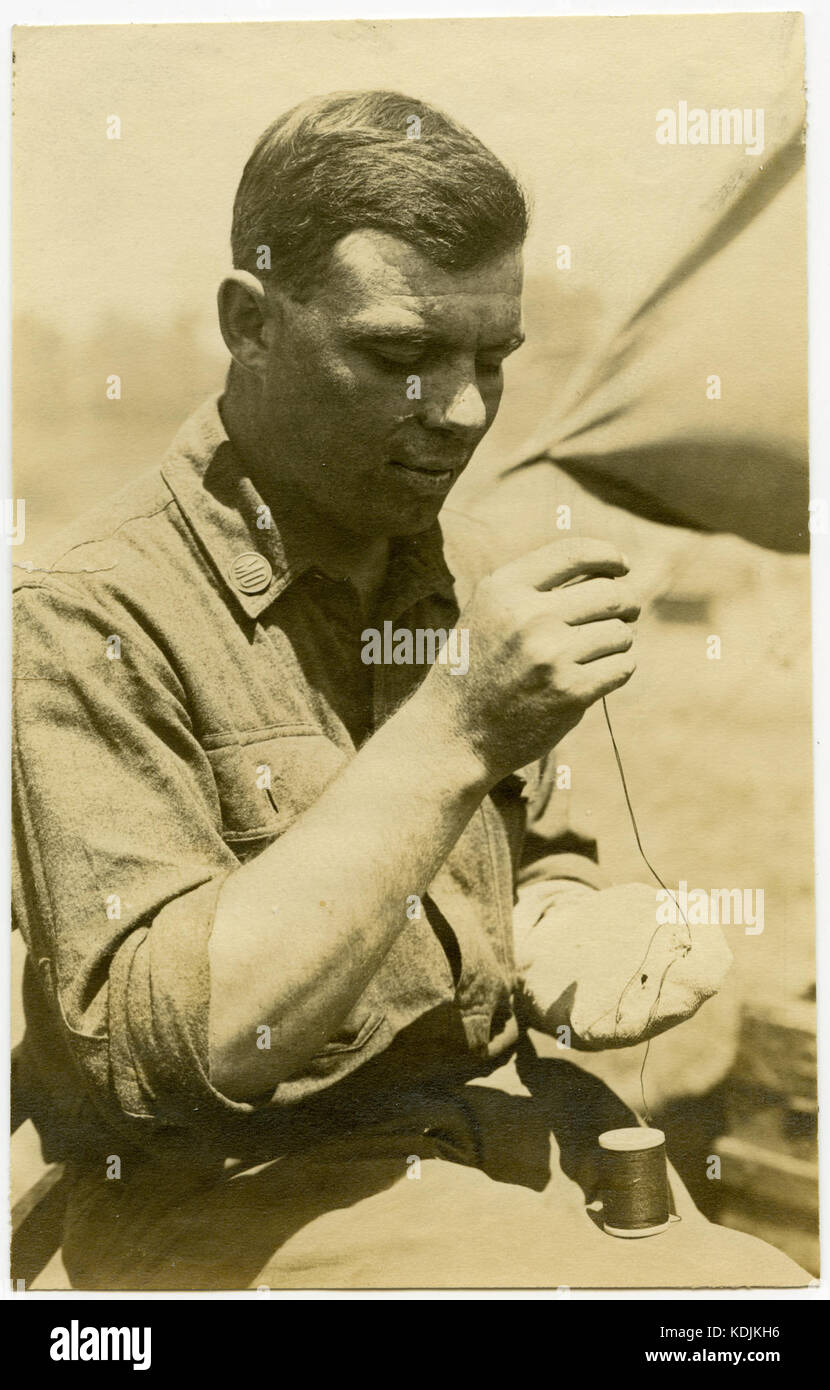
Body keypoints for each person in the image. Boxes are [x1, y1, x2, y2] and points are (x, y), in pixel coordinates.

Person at [12, 90, 809, 1289]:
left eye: (493, 358)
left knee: (764, 1293)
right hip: (235, 1193)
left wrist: (564, 921)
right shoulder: (88, 613)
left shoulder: (465, 567)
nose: (467, 411)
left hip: (504, 1136)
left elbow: (530, 846)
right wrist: (455, 725)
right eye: (399, 356)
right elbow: (162, 1052)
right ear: (251, 323)